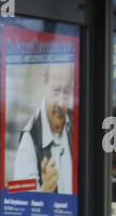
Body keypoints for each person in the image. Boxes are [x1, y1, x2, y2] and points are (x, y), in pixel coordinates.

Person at [11, 61, 75, 194]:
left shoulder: (77, 126)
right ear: (45, 86)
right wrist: (44, 190)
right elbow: (19, 197)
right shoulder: (29, 138)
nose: (61, 102)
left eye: (67, 92)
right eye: (56, 91)